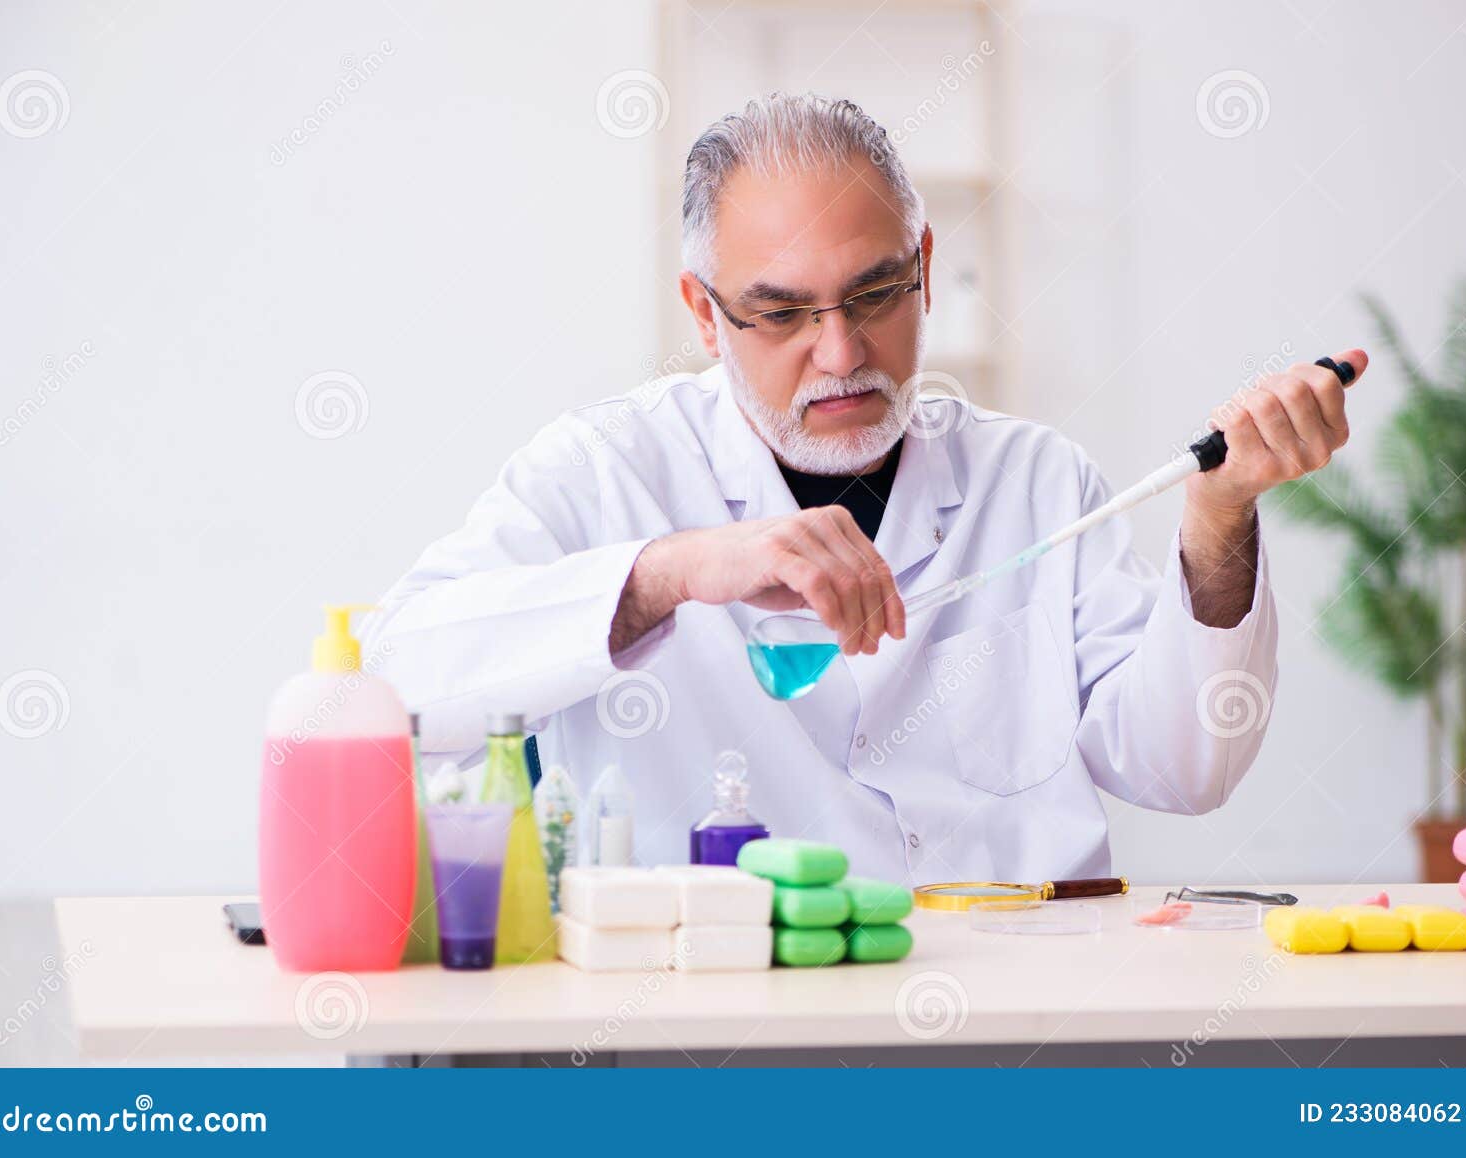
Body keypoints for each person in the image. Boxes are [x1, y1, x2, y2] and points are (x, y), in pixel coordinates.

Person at [365, 93, 1364, 882]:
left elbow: (1183, 767)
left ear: (925, 269)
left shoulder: (1035, 481)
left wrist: (1219, 516)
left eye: (875, 293)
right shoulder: (602, 471)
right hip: (716, 1027)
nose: (840, 353)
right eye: (781, 313)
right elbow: (395, 683)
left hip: (1016, 1022)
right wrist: (669, 573)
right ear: (704, 316)